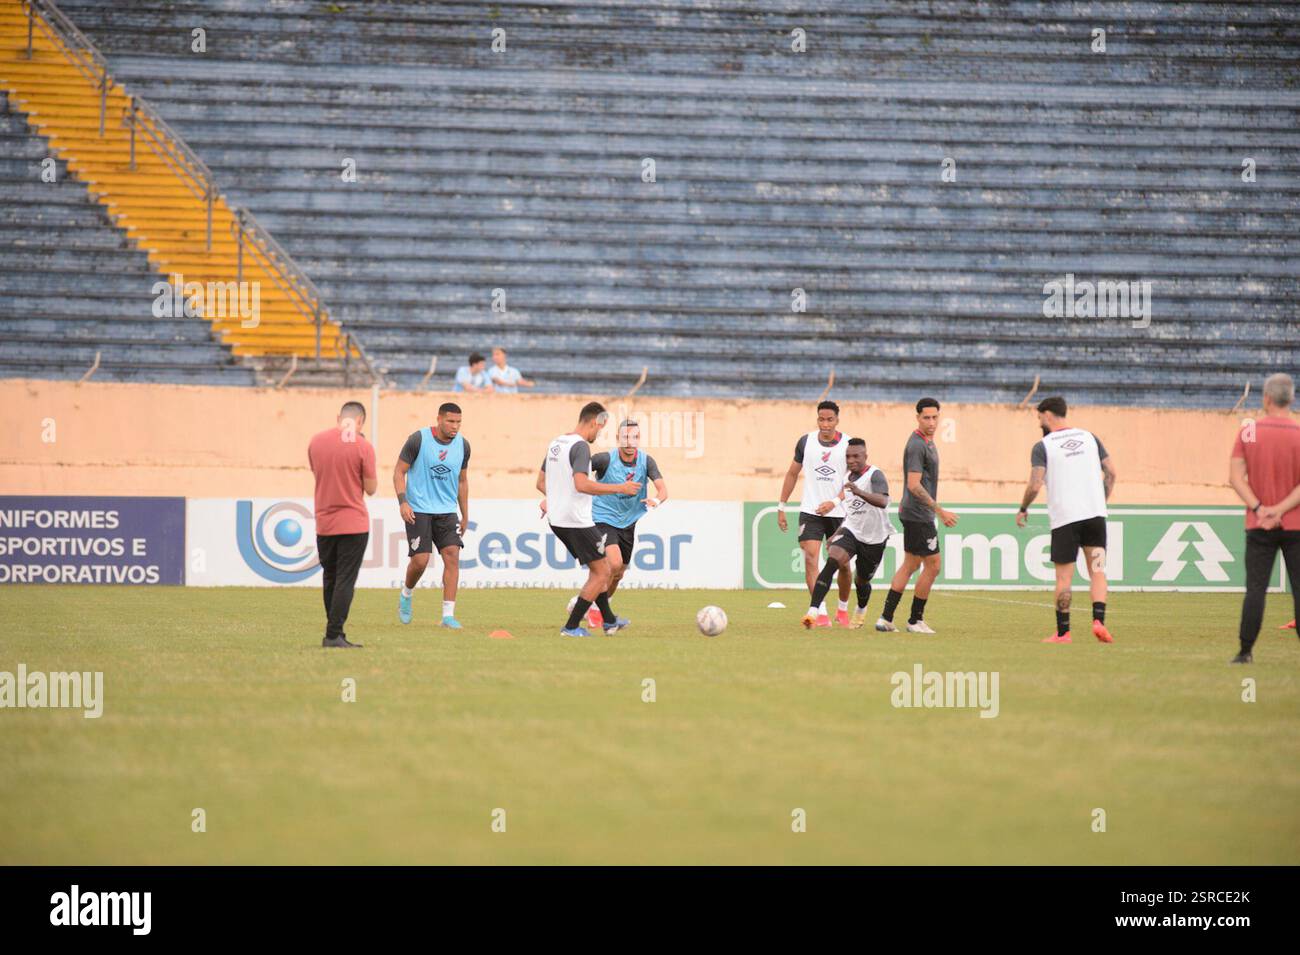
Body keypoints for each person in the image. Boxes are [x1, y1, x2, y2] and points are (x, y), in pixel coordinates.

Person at [1015, 396, 1116, 645]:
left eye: (1039, 418)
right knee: (1098, 572)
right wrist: (1100, 501)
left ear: (1047, 415)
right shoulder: (1090, 438)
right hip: (1095, 517)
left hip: (1066, 519)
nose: (1040, 422)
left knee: (1063, 579)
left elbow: (1035, 483)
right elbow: (1112, 472)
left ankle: (1063, 633)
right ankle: (1098, 622)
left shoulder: (1043, 446)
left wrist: (1023, 507)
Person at [536, 402, 640, 637]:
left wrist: (555, 501)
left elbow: (541, 483)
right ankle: (571, 627)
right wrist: (620, 488)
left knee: (600, 566)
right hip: (576, 520)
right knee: (602, 572)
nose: (599, 434)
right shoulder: (581, 446)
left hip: (559, 519)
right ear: (594, 422)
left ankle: (609, 620)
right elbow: (581, 484)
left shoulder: (556, 443)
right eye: (600, 429)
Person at [1228, 372, 1300, 664]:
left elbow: (1235, 477)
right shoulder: (1298, 434)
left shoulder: (1249, 432)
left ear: (1266, 398)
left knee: (1255, 589)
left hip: (1258, 525)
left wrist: (1260, 509)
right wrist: (1281, 509)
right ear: (1291, 398)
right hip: (1295, 524)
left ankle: (1245, 651)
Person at [877, 397, 958, 633]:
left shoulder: (927, 442)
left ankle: (886, 618)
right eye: (926, 418)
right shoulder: (917, 445)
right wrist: (939, 510)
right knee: (933, 565)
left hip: (914, 513)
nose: (931, 422)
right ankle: (915, 620)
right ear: (918, 418)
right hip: (918, 514)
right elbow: (913, 484)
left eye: (935, 417)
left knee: (911, 564)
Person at [802, 439, 893, 630]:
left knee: (862, 580)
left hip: (875, 537)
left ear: (865, 456)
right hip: (852, 531)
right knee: (832, 561)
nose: (851, 460)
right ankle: (813, 612)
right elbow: (850, 511)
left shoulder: (875, 475)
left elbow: (883, 501)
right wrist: (837, 533)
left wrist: (859, 491)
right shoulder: (847, 478)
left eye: (856, 456)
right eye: (848, 457)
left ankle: (860, 609)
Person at [585, 419, 668, 628]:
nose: (630, 442)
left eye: (635, 437)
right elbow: (576, 473)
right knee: (612, 563)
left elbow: (663, 490)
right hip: (602, 517)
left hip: (628, 522)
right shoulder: (604, 459)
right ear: (618, 439)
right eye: (626, 437)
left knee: (618, 574)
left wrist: (656, 500)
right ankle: (595, 612)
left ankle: (589, 605)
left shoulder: (647, 461)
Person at [307, 401, 377, 648]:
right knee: (345, 580)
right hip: (353, 523)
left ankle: (334, 632)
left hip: (324, 522)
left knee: (330, 578)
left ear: (339, 417)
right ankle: (334, 634)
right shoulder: (363, 446)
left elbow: (318, 473)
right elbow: (371, 489)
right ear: (360, 422)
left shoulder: (316, 442)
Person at [777, 401, 853, 626]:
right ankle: (820, 612)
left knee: (843, 565)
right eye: (821, 419)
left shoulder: (848, 444)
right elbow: (792, 473)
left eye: (830, 419)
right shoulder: (806, 442)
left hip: (839, 512)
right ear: (817, 419)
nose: (825, 424)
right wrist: (781, 507)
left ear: (837, 420)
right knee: (811, 558)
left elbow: (853, 481)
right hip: (810, 511)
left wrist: (835, 501)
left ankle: (842, 609)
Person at [394, 402, 470, 629]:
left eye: (458, 422)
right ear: (439, 419)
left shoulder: (463, 446)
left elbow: (462, 481)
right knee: (420, 560)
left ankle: (448, 616)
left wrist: (465, 514)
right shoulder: (418, 440)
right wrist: (403, 502)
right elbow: (399, 472)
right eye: (450, 421)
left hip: (447, 512)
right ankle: (406, 594)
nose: (455, 426)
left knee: (452, 557)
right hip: (418, 509)